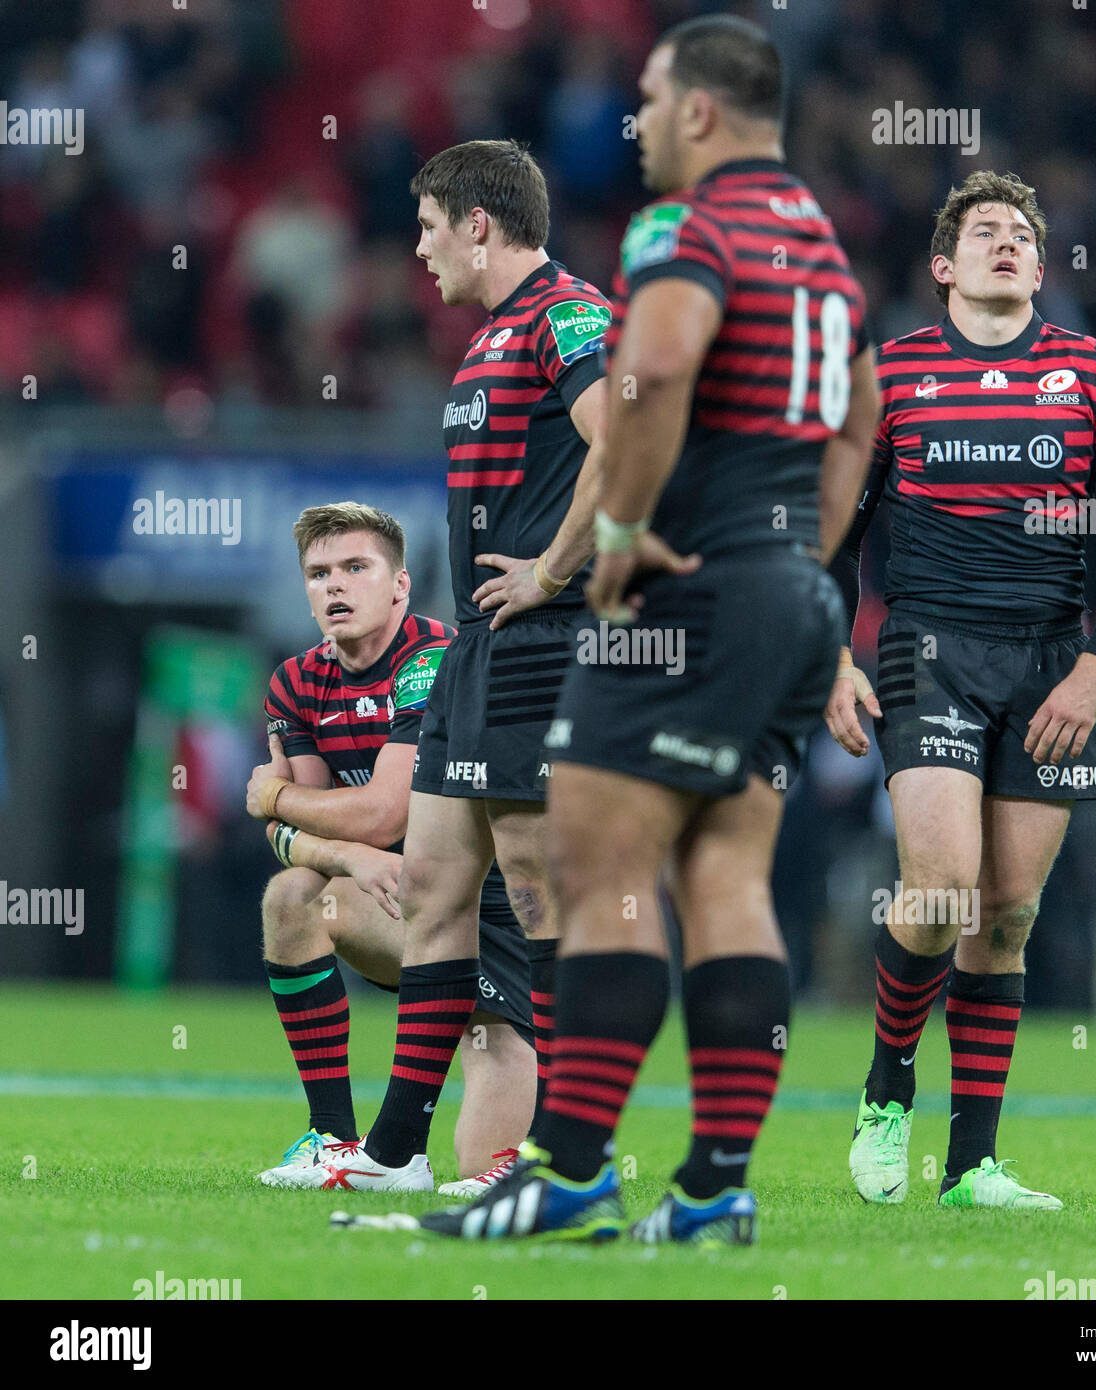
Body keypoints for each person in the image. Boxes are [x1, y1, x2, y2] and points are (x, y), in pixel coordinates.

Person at [421, 15, 878, 1245]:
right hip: (791, 592)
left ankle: (566, 1169)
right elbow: (857, 423)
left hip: (692, 589)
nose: (634, 117)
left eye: (646, 93)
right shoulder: (824, 250)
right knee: (724, 875)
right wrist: (809, 561)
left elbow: (654, 372)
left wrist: (610, 540)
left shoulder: (686, 228)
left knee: (594, 865)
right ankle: (713, 1185)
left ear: (696, 112)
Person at [831, 170, 1096, 1210]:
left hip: (1049, 663)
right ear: (942, 266)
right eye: (986, 230)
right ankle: (885, 1091)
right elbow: (835, 536)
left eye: (1022, 231)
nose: (1009, 242)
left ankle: (971, 1164)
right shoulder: (887, 373)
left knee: (1007, 914)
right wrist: (834, 656)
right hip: (928, 648)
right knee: (938, 884)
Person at [312, 141, 610, 1191]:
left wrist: (550, 572)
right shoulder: (489, 339)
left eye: (431, 223)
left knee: (539, 898)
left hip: (542, 644)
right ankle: (394, 1153)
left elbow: (623, 444)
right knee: (438, 891)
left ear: (479, 223)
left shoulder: (565, 315)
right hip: (474, 652)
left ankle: (571, 1158)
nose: (420, 245)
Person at [246, 502, 534, 1193]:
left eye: (355, 568)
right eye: (318, 573)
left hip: (497, 921)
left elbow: (378, 813)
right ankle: (334, 1140)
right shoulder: (297, 681)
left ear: (399, 585)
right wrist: (347, 856)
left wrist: (274, 799)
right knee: (293, 898)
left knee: (485, 1173)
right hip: (397, 907)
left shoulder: (432, 659)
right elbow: (322, 841)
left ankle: (551, 1120)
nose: (335, 586)